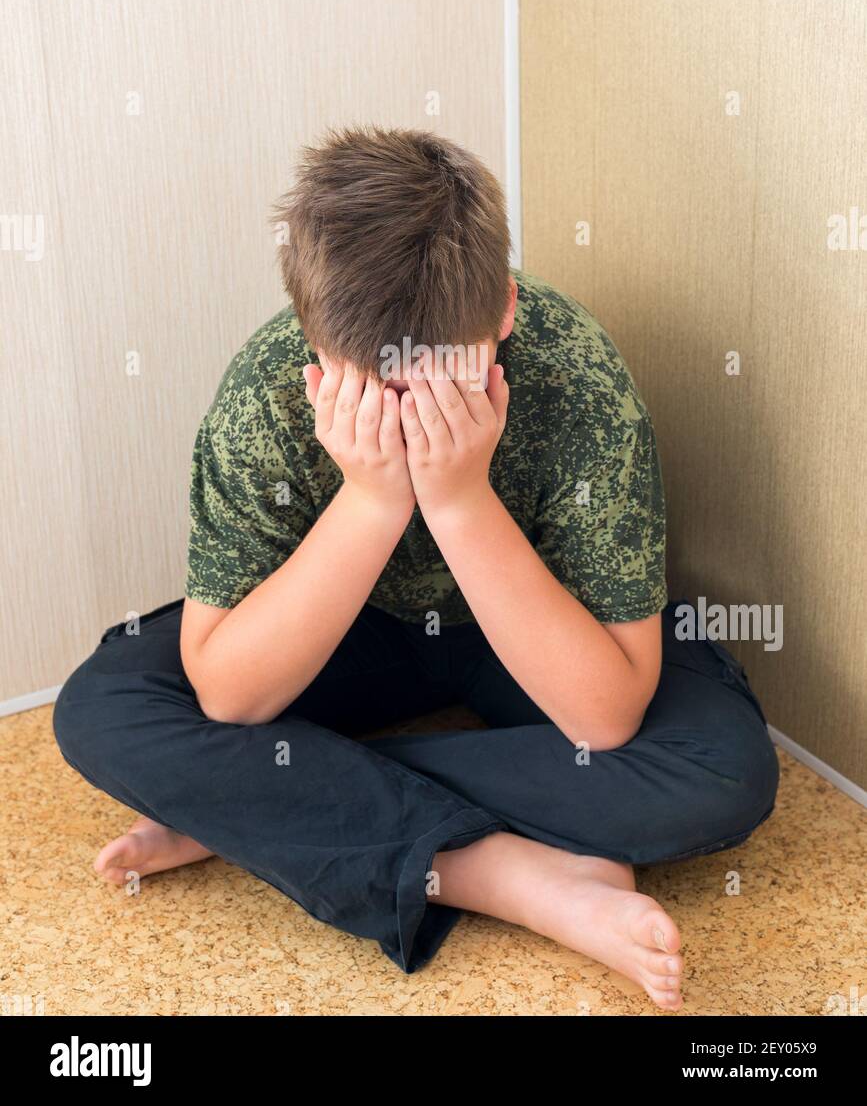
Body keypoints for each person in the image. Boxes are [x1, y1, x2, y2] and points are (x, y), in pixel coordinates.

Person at [53, 125, 779, 1010]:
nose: (407, 417)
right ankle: (496, 872)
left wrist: (461, 499)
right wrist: (370, 500)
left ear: (503, 313)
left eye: (442, 385)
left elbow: (602, 718)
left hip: (533, 628)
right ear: (311, 342)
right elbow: (230, 699)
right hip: (347, 634)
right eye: (372, 389)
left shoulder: (578, 381)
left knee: (718, 774)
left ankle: (269, 802)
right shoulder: (265, 393)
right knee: (101, 710)